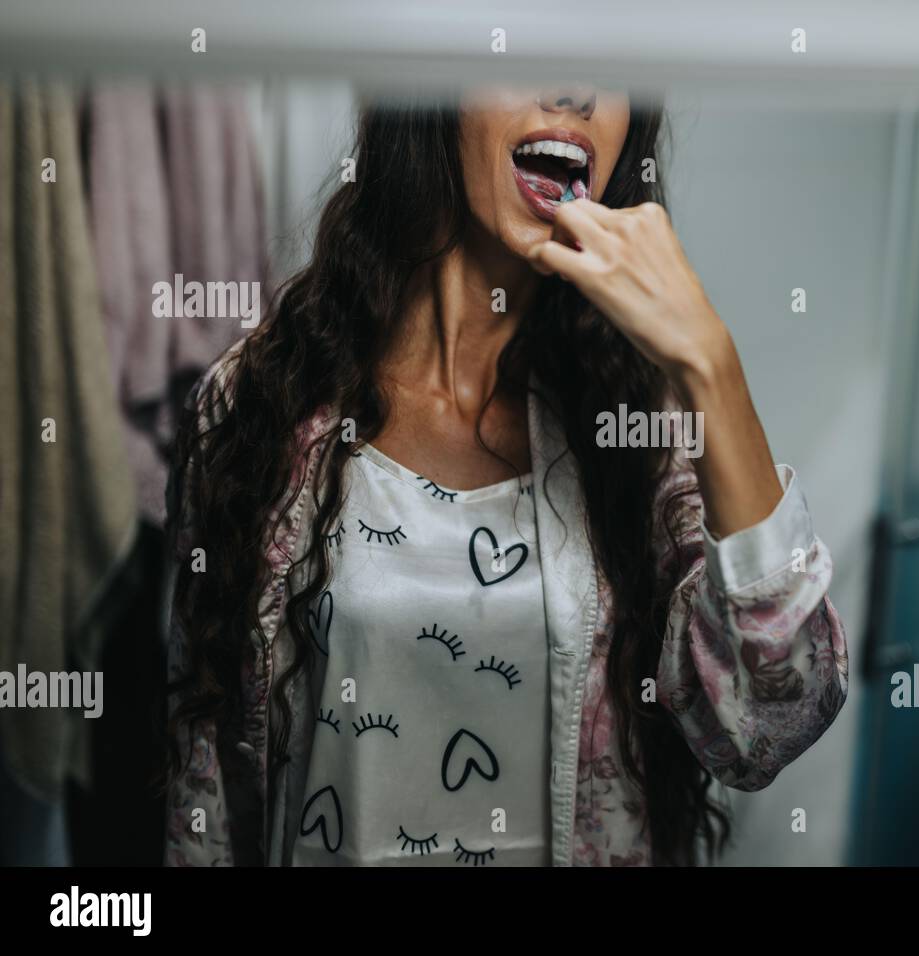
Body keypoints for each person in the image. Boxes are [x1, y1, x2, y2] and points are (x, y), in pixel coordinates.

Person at [164, 85, 849, 867]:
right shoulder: (259, 400)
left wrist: (712, 365)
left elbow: (768, 728)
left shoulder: (642, 427)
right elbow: (206, 795)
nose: (575, 90)